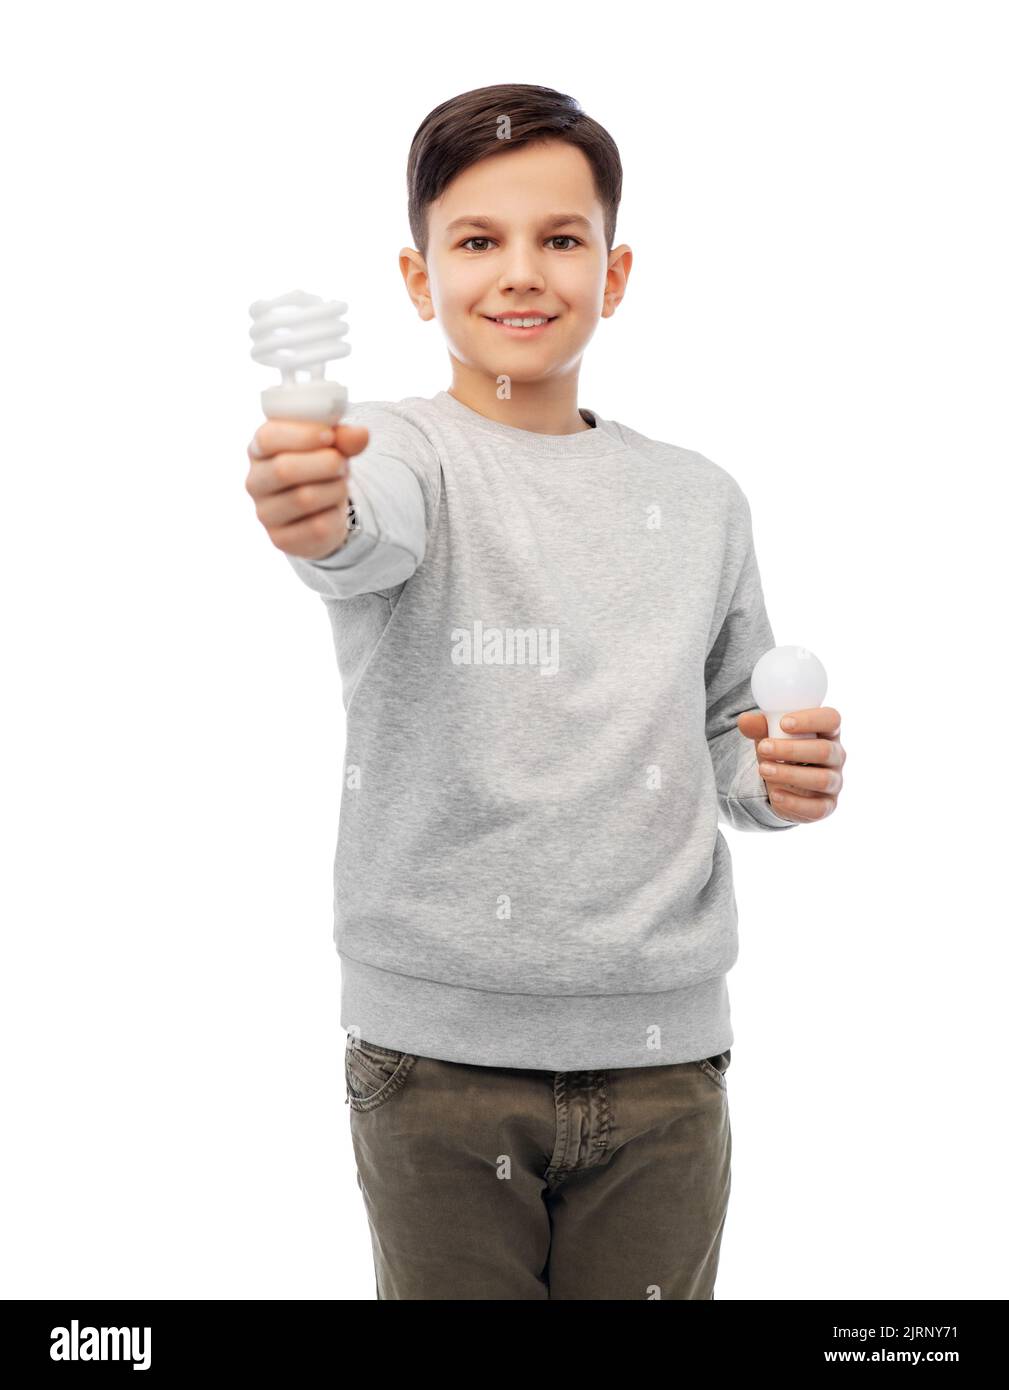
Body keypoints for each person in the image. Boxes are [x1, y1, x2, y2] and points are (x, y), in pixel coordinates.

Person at [244, 83, 846, 1300]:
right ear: (420, 281)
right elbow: (360, 535)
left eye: (558, 239)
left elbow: (732, 740)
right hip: (437, 1068)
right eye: (477, 242)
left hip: (667, 1063)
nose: (520, 272)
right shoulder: (398, 452)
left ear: (613, 274)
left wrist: (780, 779)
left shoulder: (701, 500)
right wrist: (314, 510)